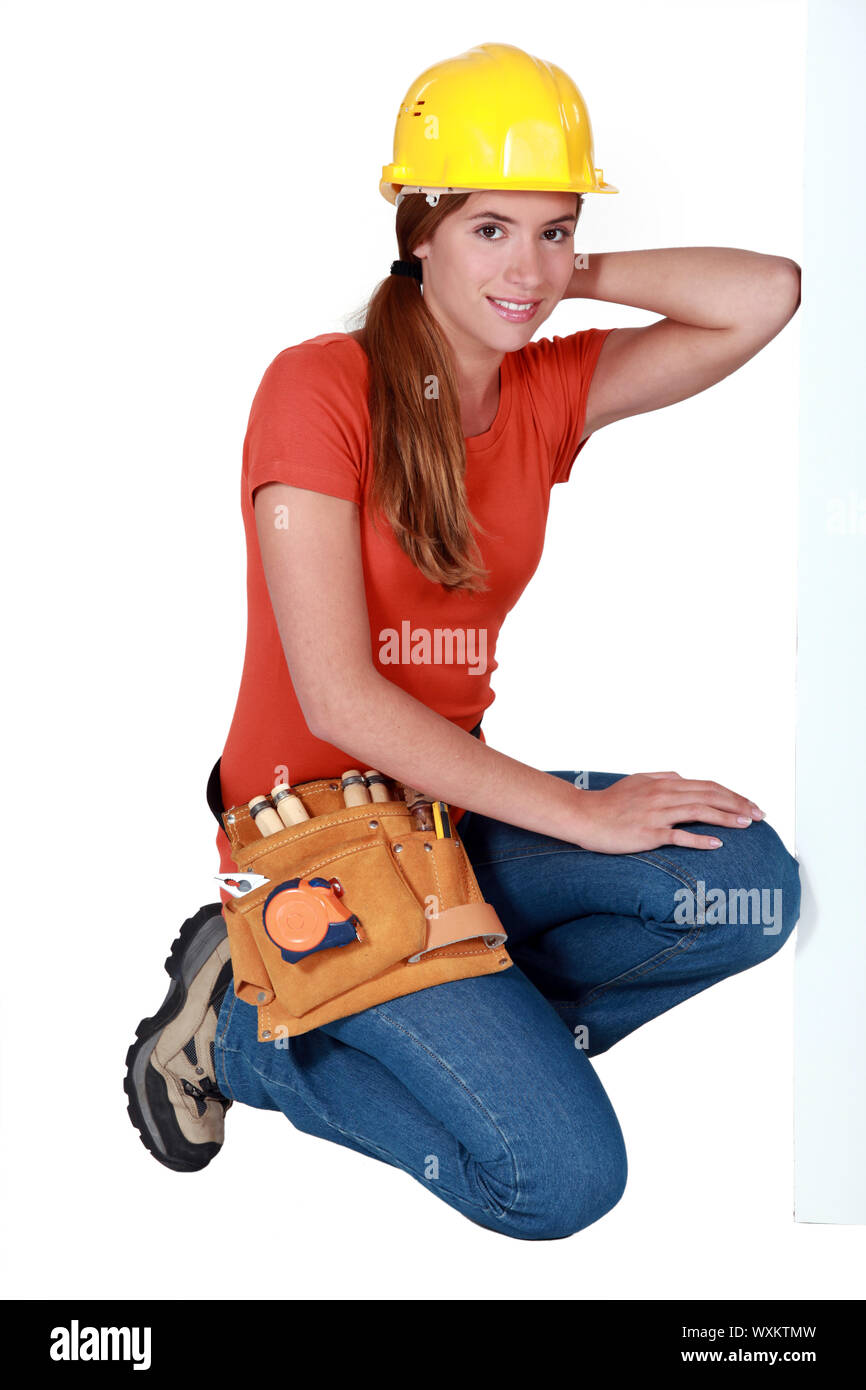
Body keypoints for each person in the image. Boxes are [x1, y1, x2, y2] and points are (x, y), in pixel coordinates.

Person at [125, 43, 801, 1238]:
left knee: (740, 885)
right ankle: (245, 1032)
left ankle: (396, 1002)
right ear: (417, 230)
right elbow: (336, 696)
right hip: (315, 828)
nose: (526, 265)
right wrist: (581, 810)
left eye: (552, 229)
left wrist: (556, 271)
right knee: (555, 1182)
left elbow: (766, 293)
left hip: (448, 817)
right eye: (488, 229)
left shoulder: (542, 390)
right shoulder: (318, 386)